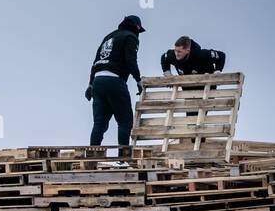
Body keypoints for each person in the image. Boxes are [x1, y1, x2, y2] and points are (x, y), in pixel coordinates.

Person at [86, 15, 146, 147]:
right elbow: (130, 60)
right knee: (125, 121)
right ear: (137, 27)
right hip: (114, 81)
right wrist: (138, 80)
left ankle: (93, 156)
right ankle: (123, 159)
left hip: (98, 81)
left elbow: (96, 62)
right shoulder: (131, 37)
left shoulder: (108, 37)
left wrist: (90, 84)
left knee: (99, 124)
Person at [160, 36, 225, 75]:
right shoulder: (172, 55)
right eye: (175, 50)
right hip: (188, 88)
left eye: (179, 51)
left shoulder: (202, 54)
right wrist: (167, 73)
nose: (176, 53)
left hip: (207, 86)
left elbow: (221, 55)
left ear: (187, 51)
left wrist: (218, 70)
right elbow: (164, 57)